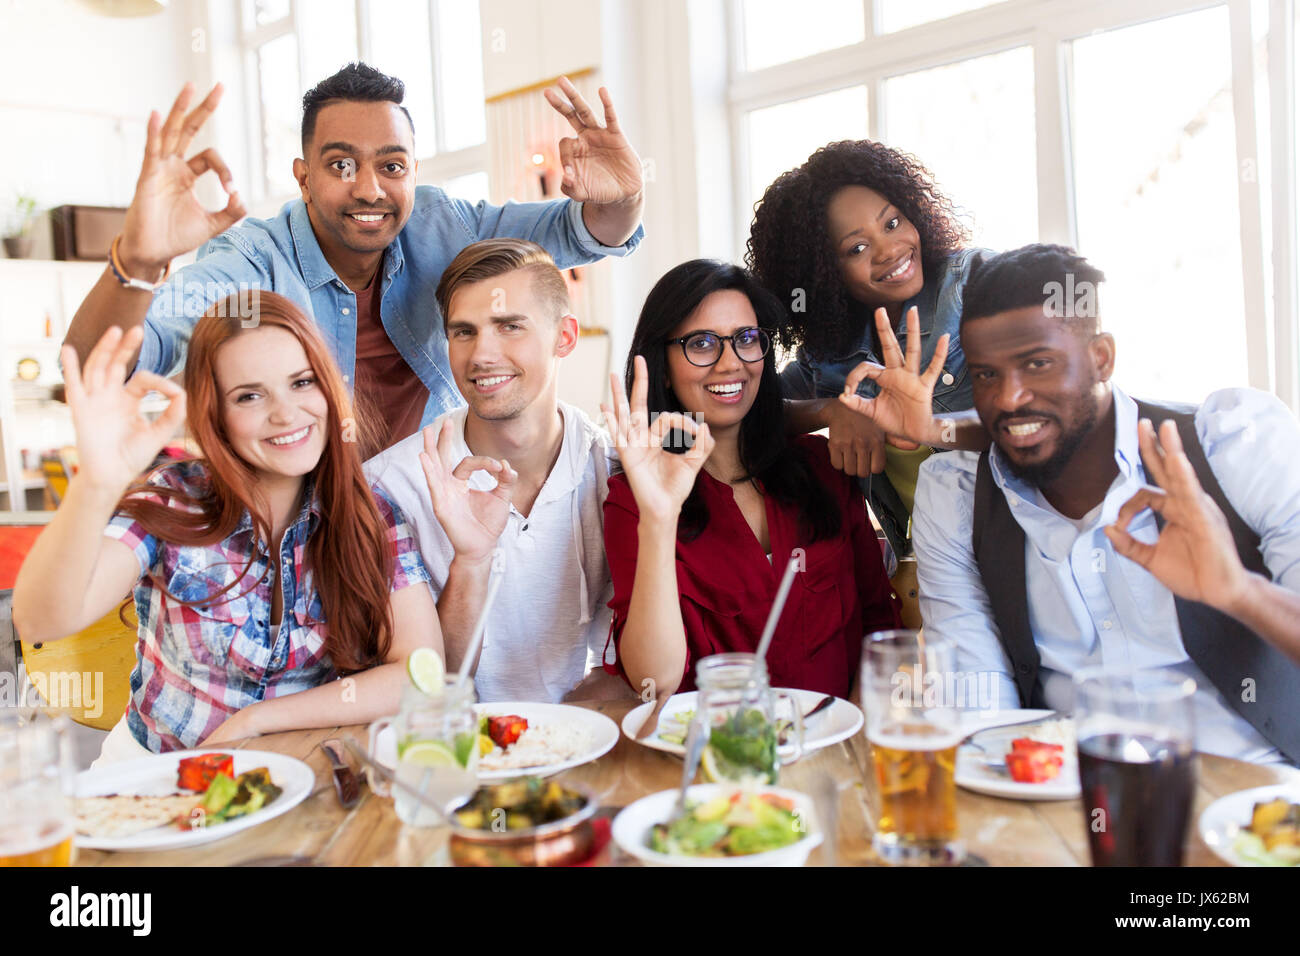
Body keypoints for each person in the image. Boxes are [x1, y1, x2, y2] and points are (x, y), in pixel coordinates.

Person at [63, 63, 646, 458]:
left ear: (413, 173)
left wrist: (623, 196)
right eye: (341, 165)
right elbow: (102, 368)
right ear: (304, 177)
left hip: (425, 516)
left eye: (391, 166)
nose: (369, 189)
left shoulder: (444, 225)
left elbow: (583, 231)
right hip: (297, 530)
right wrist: (136, 262)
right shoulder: (253, 265)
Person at [903, 244, 1300, 764]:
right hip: (1069, 802)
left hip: (1258, 808)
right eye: (986, 375)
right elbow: (980, 699)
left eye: (1037, 364)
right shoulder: (954, 496)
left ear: (1101, 357)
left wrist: (1241, 592)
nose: (1009, 398)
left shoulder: (1233, 442)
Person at [12, 296, 439, 759]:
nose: (285, 413)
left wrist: (254, 722)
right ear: (215, 414)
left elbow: (420, 675)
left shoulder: (372, 516)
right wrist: (96, 482)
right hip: (160, 776)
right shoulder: (175, 499)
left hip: (294, 774)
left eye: (301, 382)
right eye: (249, 396)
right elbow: (41, 619)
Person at [600, 260, 901, 700]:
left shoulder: (822, 465)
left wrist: (850, 741)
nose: (730, 363)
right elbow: (653, 683)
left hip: (838, 749)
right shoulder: (633, 501)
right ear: (661, 366)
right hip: (717, 759)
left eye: (745, 339)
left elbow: (879, 626)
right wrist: (660, 518)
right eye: (701, 343)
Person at [365, 239, 628, 703]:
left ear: (564, 337)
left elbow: (634, 665)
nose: (482, 355)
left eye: (509, 326)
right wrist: (470, 561)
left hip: (588, 741)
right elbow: (429, 687)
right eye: (463, 332)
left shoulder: (613, 471)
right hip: (453, 750)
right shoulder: (388, 487)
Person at [746, 140, 986, 559]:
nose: (890, 250)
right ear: (823, 271)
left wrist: (926, 427)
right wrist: (831, 410)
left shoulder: (973, 287)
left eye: (892, 223)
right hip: (935, 573)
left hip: (1024, 548)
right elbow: (753, 410)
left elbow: (1039, 419)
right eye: (857, 248)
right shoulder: (829, 350)